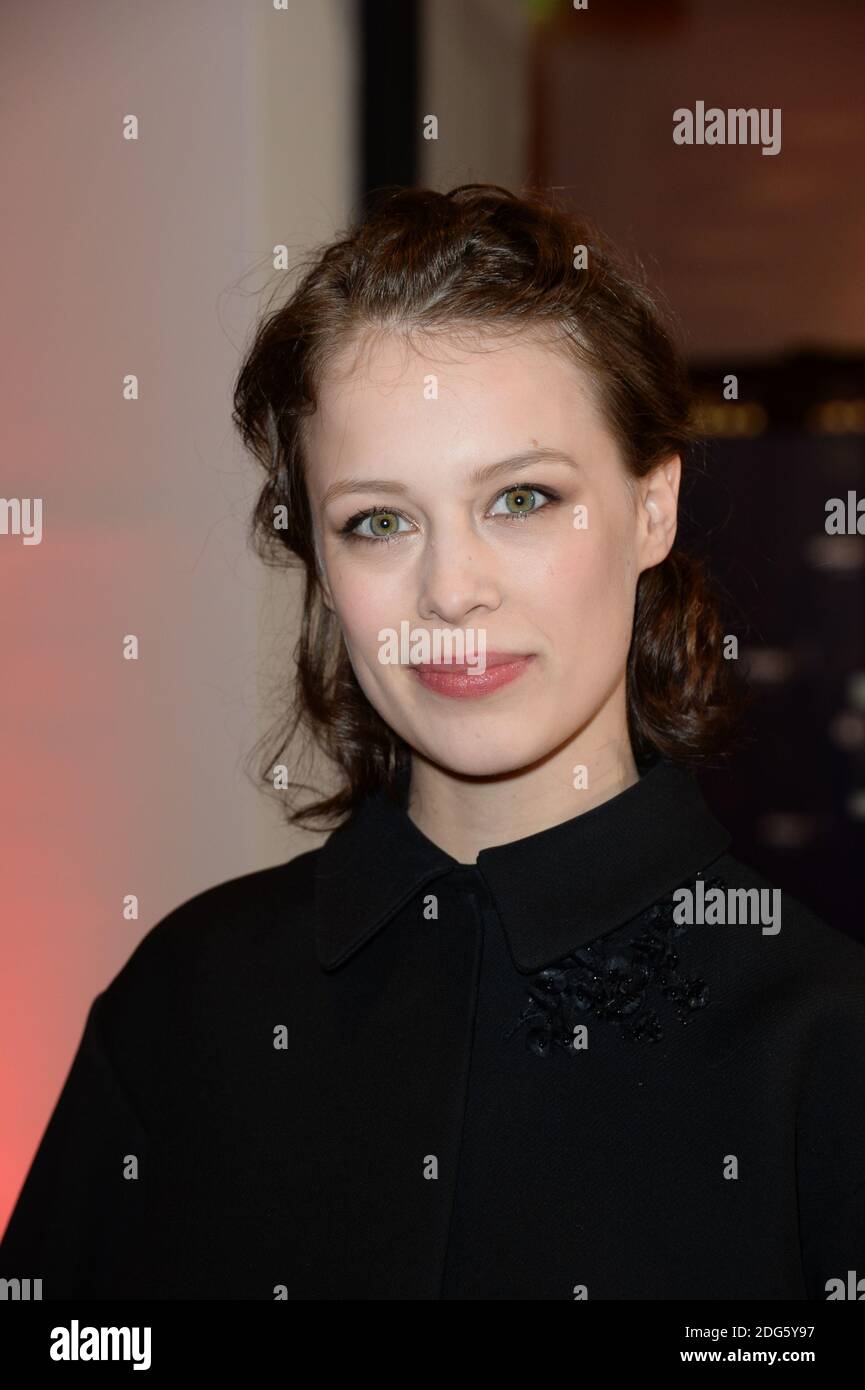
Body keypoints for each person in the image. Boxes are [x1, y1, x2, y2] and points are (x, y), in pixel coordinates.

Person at [3, 184, 864, 1300]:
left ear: (652, 505)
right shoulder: (188, 1003)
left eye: (522, 498)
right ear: (318, 559)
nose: (450, 590)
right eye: (378, 520)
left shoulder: (825, 1045)